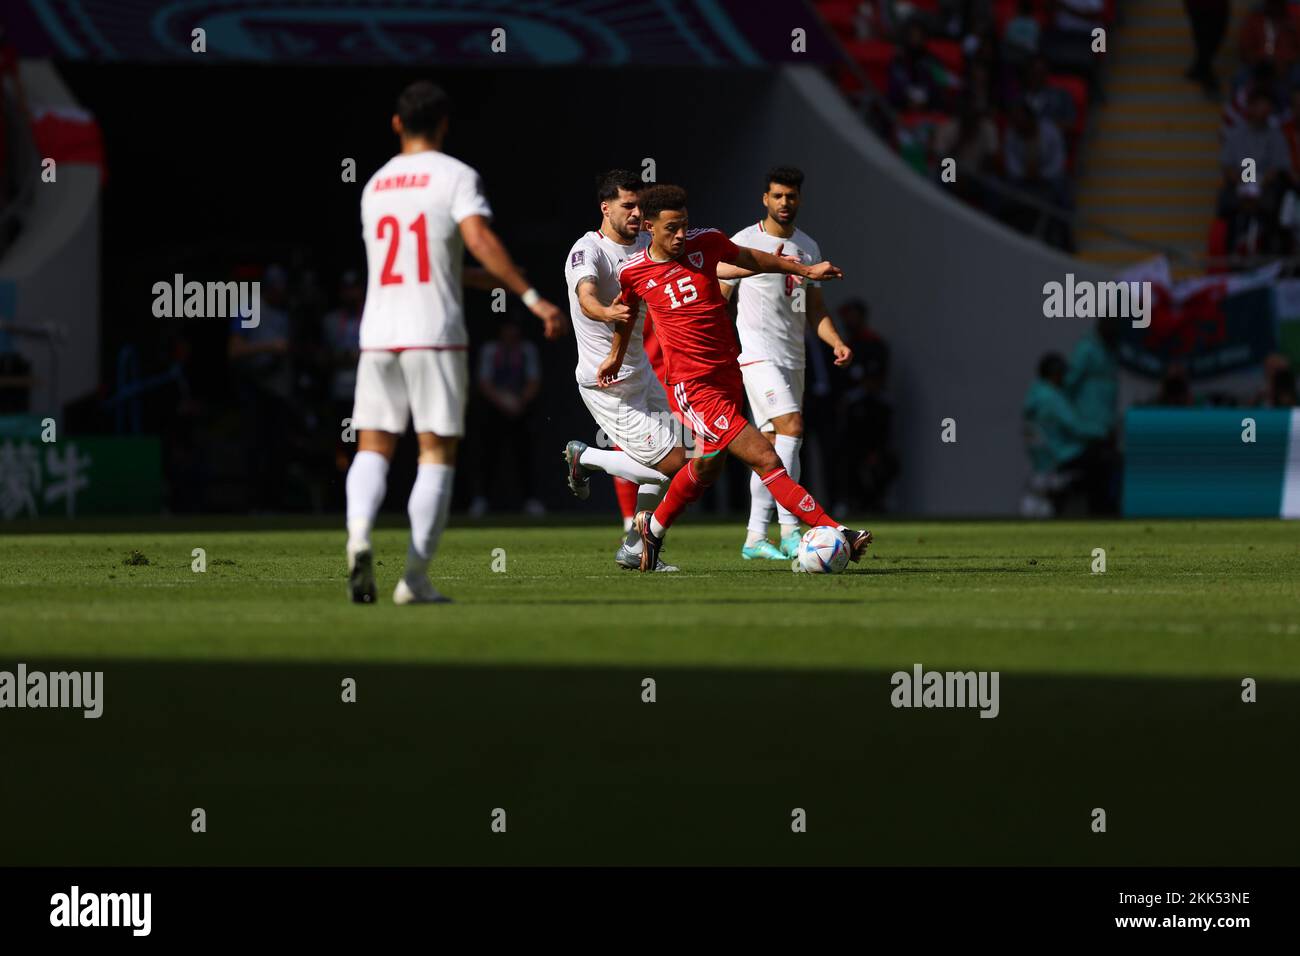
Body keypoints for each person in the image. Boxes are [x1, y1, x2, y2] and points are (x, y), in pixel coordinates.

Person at [344, 80, 565, 605]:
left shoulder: (374, 185)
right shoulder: (456, 175)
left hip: (377, 335)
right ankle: (414, 579)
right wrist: (532, 296)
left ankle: (357, 537)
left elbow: (410, 262)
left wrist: (467, 276)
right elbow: (478, 239)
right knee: (435, 451)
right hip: (434, 335)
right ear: (445, 124)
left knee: (373, 444)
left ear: (397, 124)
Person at [606, 184, 873, 572]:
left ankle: (651, 532)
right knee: (766, 456)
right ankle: (836, 529)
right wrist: (615, 358)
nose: (681, 234)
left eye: (684, 225)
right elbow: (625, 317)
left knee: (706, 467)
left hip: (728, 374)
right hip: (694, 387)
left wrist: (804, 269)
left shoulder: (709, 242)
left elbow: (754, 258)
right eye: (671, 229)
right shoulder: (633, 273)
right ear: (648, 226)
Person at [718, 166, 853, 561]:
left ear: (799, 199)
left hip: (794, 359)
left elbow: (815, 310)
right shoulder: (743, 242)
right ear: (765, 198)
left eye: (791, 196)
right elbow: (718, 297)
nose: (784, 202)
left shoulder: (808, 248)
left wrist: (836, 341)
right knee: (792, 426)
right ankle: (792, 529)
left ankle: (755, 537)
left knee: (775, 447)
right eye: (777, 195)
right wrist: (724, 348)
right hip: (756, 355)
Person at [560, 170, 681, 570]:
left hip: (641, 373)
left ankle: (635, 546)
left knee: (687, 455)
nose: (635, 213)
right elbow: (586, 297)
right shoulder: (587, 250)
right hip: (604, 381)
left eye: (639, 206)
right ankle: (587, 458)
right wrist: (607, 311)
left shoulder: (647, 242)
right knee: (670, 467)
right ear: (605, 207)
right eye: (627, 205)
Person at [469, 316, 546, 517]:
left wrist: (519, 402)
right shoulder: (490, 350)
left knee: (525, 455)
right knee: (488, 456)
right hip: (494, 410)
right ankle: (481, 500)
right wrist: (503, 401)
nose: (511, 333)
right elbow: (484, 382)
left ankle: (531, 500)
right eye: (507, 329)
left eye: (514, 329)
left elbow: (533, 380)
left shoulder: (527, 350)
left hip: (521, 409)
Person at [1023, 352, 1112, 515]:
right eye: (1062, 373)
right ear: (1055, 374)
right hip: (1060, 456)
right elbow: (1076, 427)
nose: (1064, 378)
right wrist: (1102, 432)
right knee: (1106, 461)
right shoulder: (1051, 397)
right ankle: (1101, 517)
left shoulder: (1034, 395)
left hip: (1043, 460)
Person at [1184, 0, 1230, 97]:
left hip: (1217, 7)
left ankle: (1200, 67)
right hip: (1199, 7)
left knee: (1213, 38)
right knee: (1203, 39)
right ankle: (1205, 72)